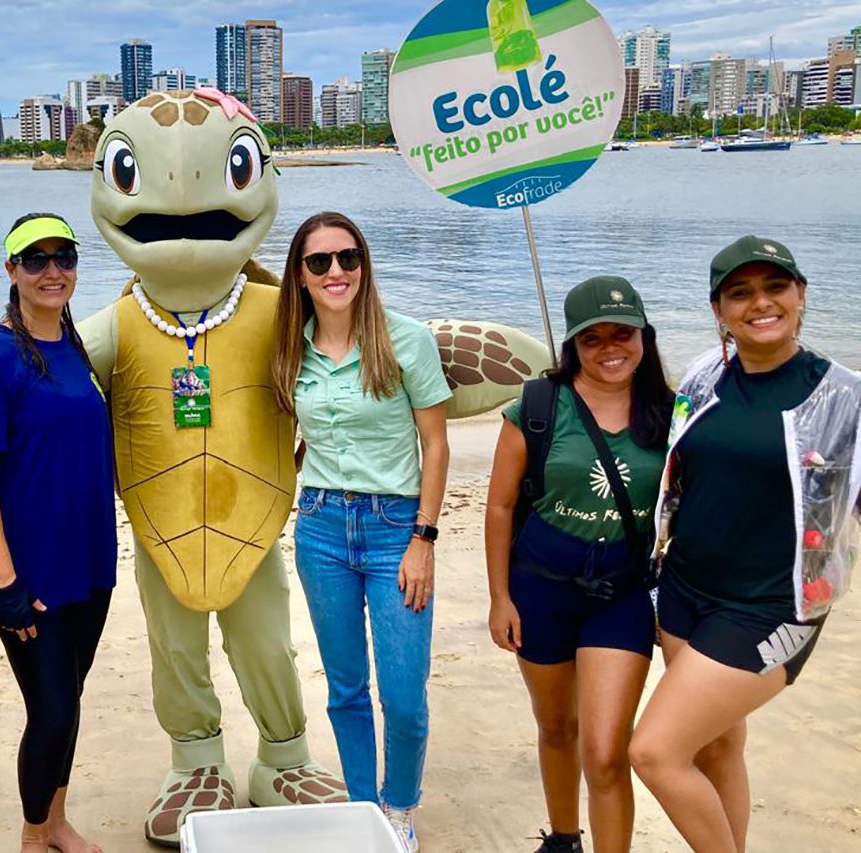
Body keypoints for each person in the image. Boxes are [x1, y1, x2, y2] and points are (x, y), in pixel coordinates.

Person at [630, 236, 861, 852]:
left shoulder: (844, 397)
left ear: (801, 295)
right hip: (684, 593)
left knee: (654, 752)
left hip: (770, 606)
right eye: (740, 293)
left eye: (775, 287)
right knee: (717, 743)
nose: (760, 303)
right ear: (720, 311)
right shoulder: (706, 375)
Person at [271, 211, 451, 853]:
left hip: (397, 526)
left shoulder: (404, 341)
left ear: (363, 262)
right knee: (346, 688)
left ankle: (399, 806)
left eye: (347, 257)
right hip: (320, 526)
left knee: (404, 696)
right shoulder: (290, 347)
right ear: (300, 275)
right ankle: (360, 809)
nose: (336, 271)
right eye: (319, 262)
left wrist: (424, 537)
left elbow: (435, 442)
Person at [484, 277, 674, 853]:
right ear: (572, 345)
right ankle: (563, 840)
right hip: (539, 590)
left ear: (645, 336)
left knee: (607, 753)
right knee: (557, 728)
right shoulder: (538, 408)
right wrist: (499, 598)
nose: (610, 347)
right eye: (593, 338)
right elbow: (499, 506)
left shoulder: (672, 414)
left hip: (620, 596)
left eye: (624, 333)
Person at [0, 213, 115, 853]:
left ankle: (56, 822)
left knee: (68, 704)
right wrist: (6, 583)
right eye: (35, 259)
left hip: (90, 563)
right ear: (11, 270)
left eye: (64, 257)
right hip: (30, 574)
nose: (52, 271)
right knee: (49, 711)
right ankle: (30, 836)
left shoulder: (73, 345)